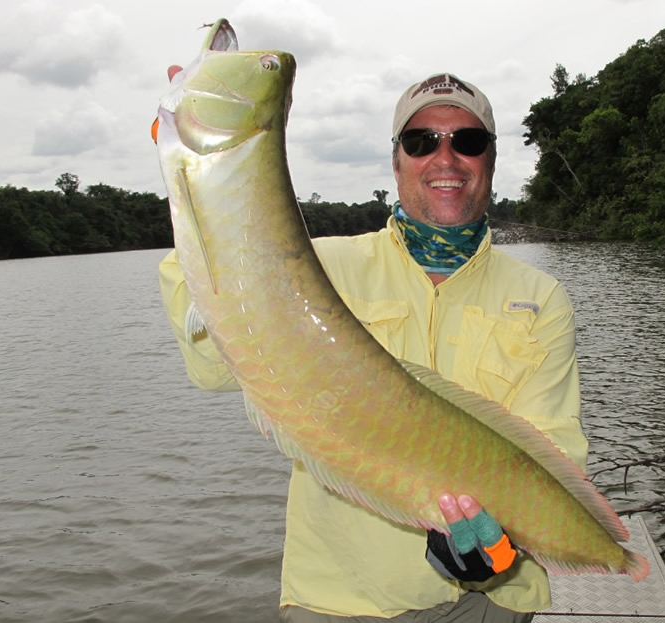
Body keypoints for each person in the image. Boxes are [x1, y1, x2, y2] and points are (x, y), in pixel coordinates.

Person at [159, 72, 588, 622]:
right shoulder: (314, 268)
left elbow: (554, 446)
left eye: (468, 140)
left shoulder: (540, 298)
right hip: (338, 602)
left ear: (491, 158)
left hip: (491, 603)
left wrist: (502, 548)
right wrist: (199, 187)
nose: (445, 158)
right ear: (396, 161)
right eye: (421, 141)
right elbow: (213, 365)